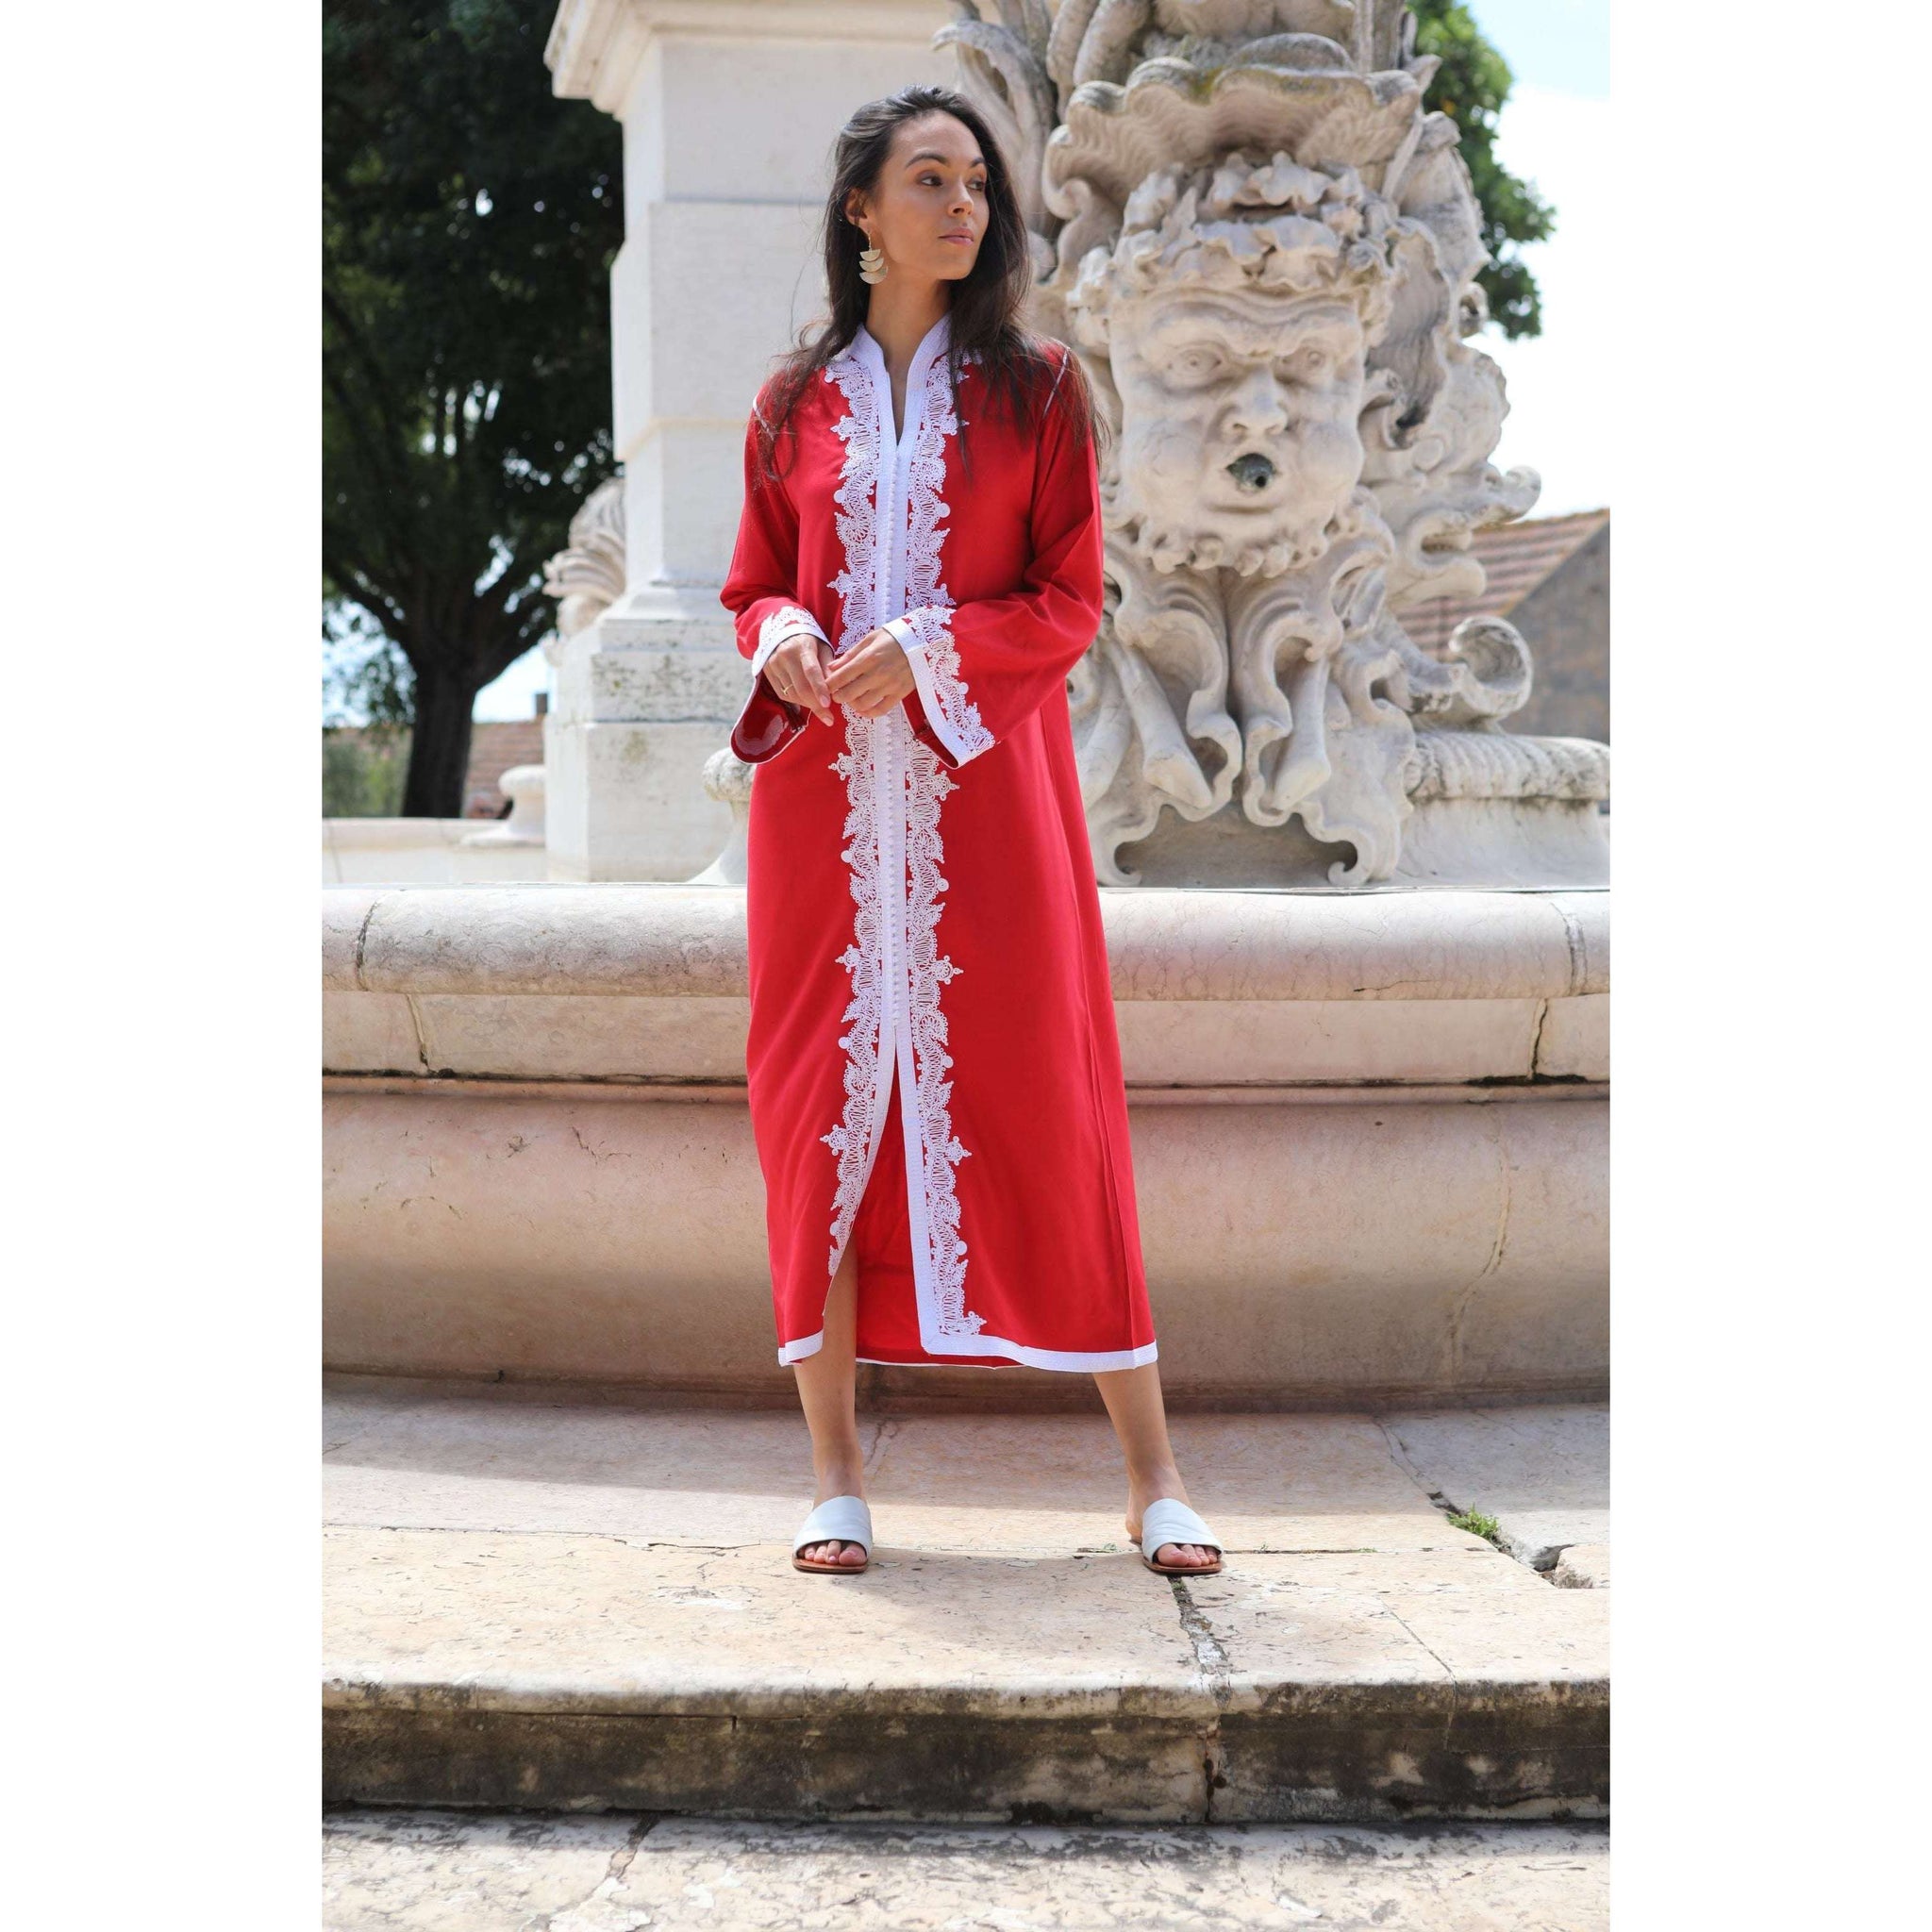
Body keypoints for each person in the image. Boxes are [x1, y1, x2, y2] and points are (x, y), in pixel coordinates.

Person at [720, 84, 1222, 1582]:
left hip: (986, 808)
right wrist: (792, 634)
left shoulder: (1040, 393)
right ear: (860, 212)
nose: (965, 206)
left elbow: (1070, 600)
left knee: (1044, 1097)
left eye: (978, 184)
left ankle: (1153, 1476)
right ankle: (834, 1475)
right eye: (929, 180)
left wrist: (929, 647)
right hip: (822, 817)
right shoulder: (784, 406)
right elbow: (751, 584)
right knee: (816, 1104)